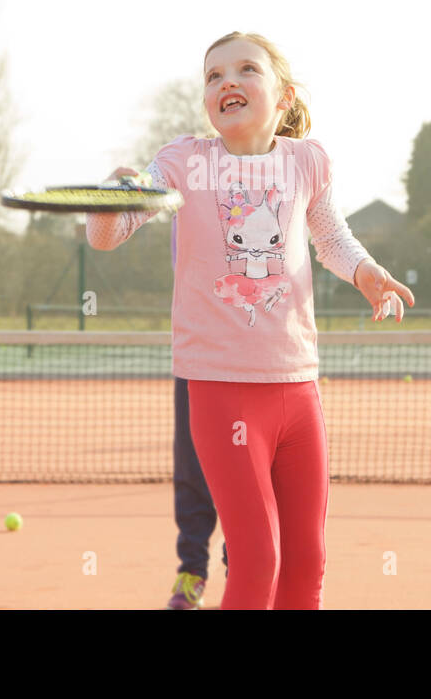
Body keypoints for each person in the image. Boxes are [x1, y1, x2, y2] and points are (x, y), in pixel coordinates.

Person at [90, 31, 413, 609]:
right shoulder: (183, 161)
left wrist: (368, 273)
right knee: (256, 557)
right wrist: (110, 199)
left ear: (283, 97)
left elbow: (331, 236)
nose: (226, 82)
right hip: (220, 389)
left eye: (244, 70)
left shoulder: (307, 162)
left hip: (298, 388)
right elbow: (110, 236)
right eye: (213, 76)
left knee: (307, 560)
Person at [166, 215, 227, 609]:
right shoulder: (181, 159)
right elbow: (106, 235)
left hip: (257, 358)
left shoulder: (277, 162)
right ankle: (192, 572)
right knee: (192, 471)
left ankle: (239, 566)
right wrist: (124, 192)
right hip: (196, 357)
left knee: (250, 477)